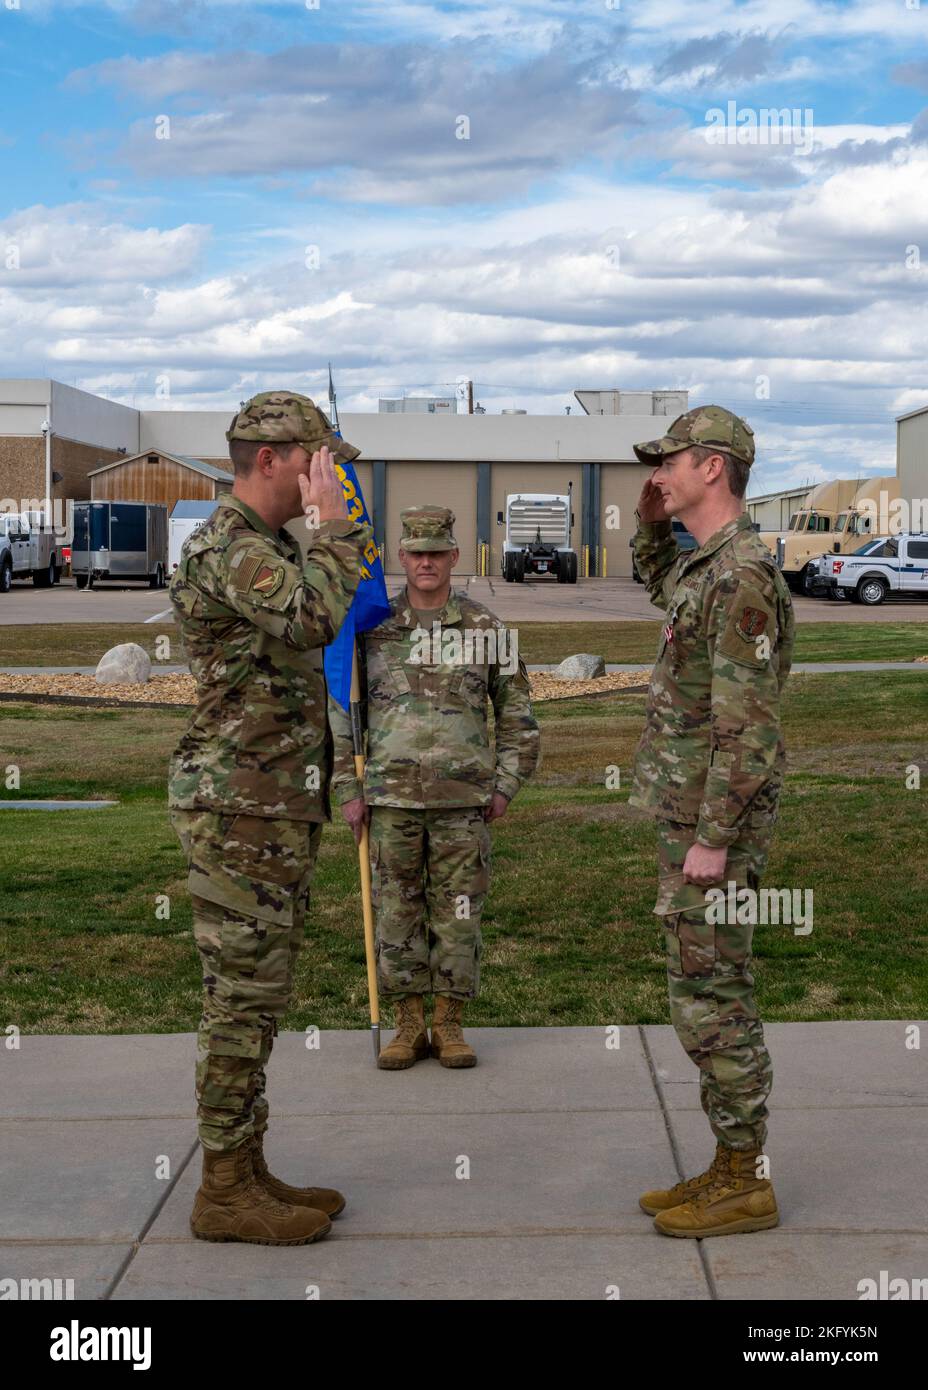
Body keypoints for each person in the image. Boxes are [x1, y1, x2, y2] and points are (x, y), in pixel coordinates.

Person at [169, 390, 373, 1245]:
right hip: (236, 808)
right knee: (240, 1001)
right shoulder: (228, 547)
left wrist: (320, 532)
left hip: (269, 803)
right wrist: (338, 530)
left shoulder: (268, 545)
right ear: (269, 461)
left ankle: (246, 1168)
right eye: (317, 459)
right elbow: (316, 615)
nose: (331, 474)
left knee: (260, 995)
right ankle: (222, 1187)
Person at [628, 405, 794, 1238]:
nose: (658, 475)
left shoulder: (742, 577)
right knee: (699, 989)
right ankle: (729, 1165)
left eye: (669, 464)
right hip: (690, 813)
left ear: (714, 469)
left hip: (712, 827)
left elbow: (750, 726)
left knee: (715, 994)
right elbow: (658, 584)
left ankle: (745, 1178)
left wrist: (713, 838)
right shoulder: (706, 566)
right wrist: (651, 526)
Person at [328, 506, 540, 1070]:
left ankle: (448, 1023)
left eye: (437, 552)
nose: (426, 562)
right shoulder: (371, 628)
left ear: (453, 558)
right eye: (416, 552)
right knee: (396, 912)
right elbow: (341, 714)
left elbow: (518, 714)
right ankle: (407, 1024)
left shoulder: (485, 630)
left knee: (458, 912)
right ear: (401, 557)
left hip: (463, 801)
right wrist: (347, 788)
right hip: (389, 800)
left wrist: (506, 784)